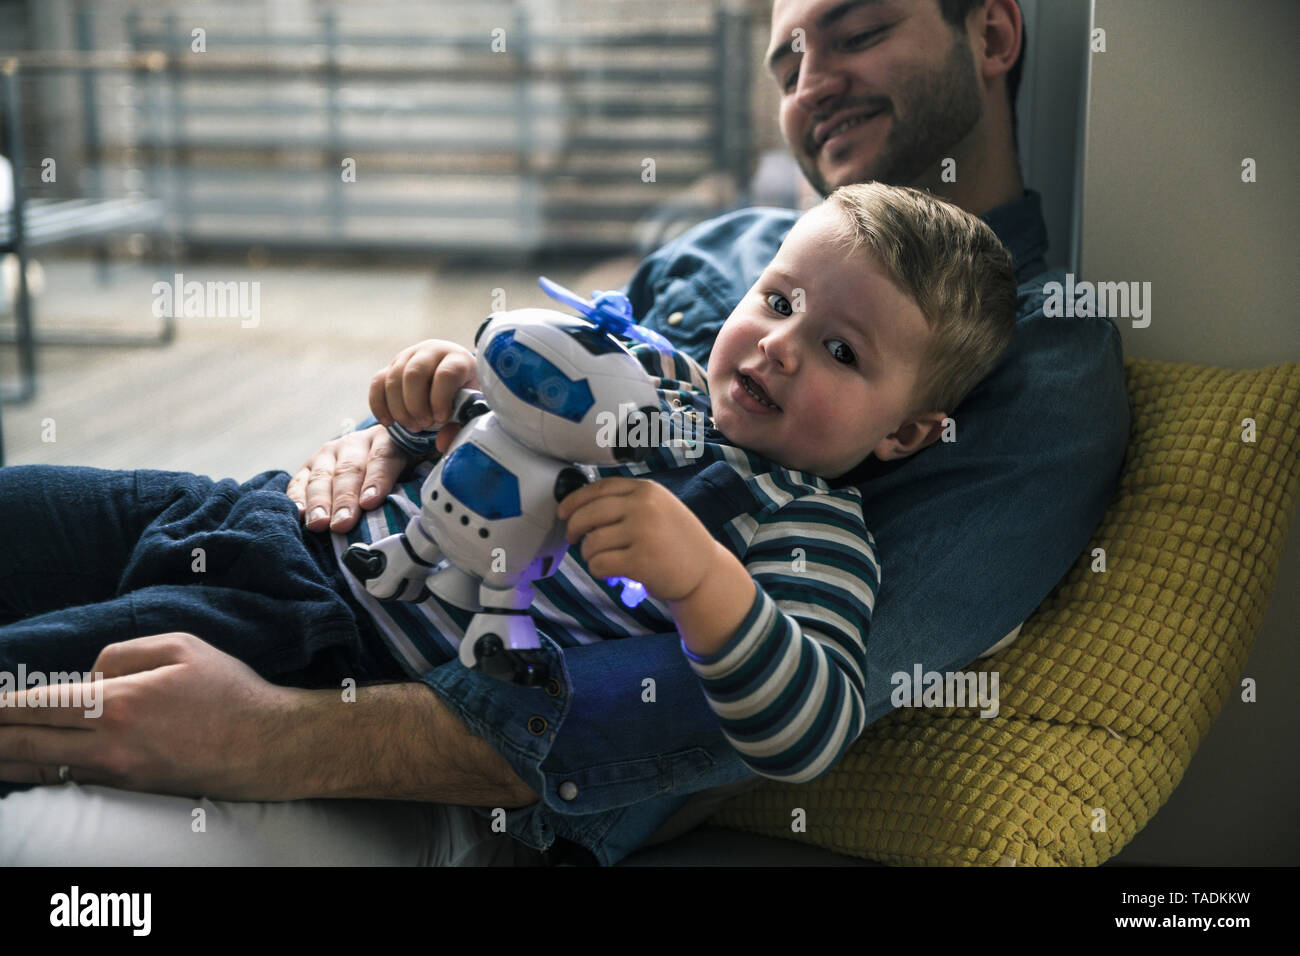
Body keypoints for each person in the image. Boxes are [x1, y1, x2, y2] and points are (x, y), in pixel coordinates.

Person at [0, 0, 1129, 867]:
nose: (810, 86)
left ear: (992, 29)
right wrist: (408, 415)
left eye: (858, 33)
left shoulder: (1034, 381)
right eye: (786, 60)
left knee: (50, 715)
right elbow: (534, 373)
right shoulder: (740, 242)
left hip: (359, 675)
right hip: (277, 524)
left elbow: (756, 711)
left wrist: (275, 734)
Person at [338, 182, 1015, 785]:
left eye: (841, 351)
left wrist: (703, 581)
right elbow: (487, 424)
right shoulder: (652, 368)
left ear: (903, 435)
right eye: (779, 300)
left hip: (353, 644)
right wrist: (439, 389)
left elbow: (812, 733)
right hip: (318, 536)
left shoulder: (807, 521)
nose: (779, 343)